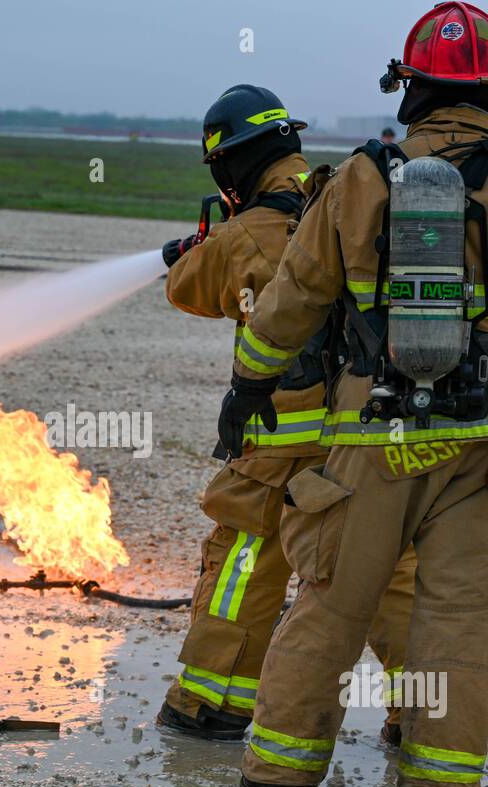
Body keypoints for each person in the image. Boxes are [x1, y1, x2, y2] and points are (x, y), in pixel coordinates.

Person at [217, 2, 488, 787]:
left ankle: (279, 779)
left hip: (373, 435)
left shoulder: (359, 177)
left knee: (328, 600)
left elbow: (293, 302)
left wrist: (247, 387)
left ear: (413, 89)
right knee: (461, 618)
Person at [158, 84, 416, 744]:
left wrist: (193, 253)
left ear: (231, 166)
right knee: (392, 570)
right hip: (374, 434)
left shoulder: (245, 234)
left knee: (246, 559)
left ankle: (211, 703)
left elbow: (188, 289)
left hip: (282, 442)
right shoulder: (348, 206)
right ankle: (424, 715)